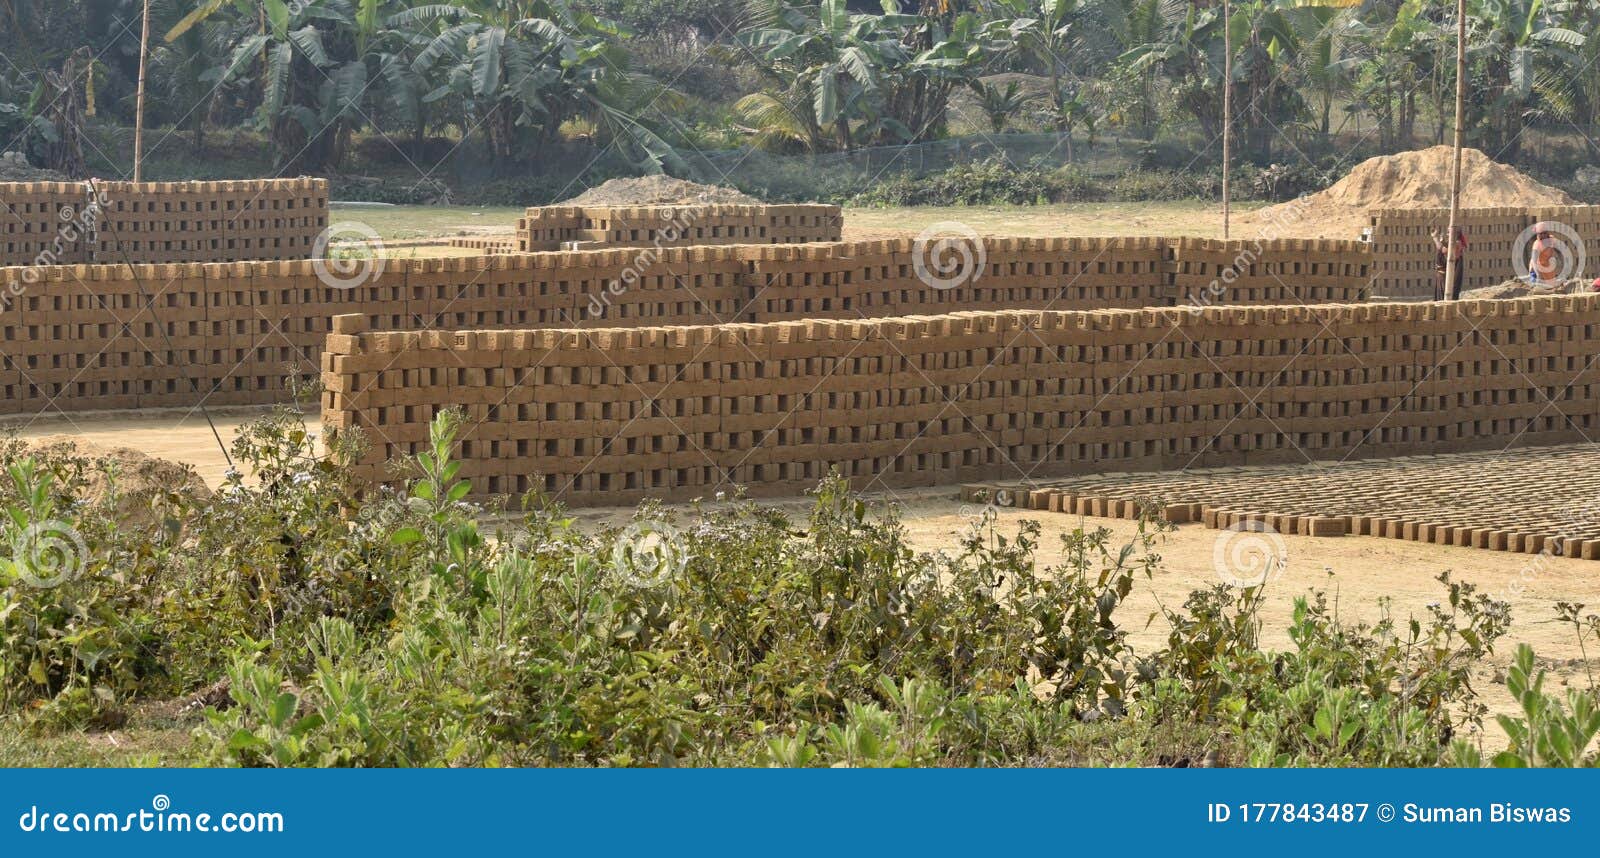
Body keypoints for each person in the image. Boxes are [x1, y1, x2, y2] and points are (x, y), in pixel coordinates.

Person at [1431, 226, 1467, 300]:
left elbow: (1445, 251)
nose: (1447, 234)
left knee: (1446, 297)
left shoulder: (1458, 243)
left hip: (1447, 277)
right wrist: (1442, 241)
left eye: (1449, 232)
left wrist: (1435, 238)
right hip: (1441, 275)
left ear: (1455, 234)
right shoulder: (1452, 243)